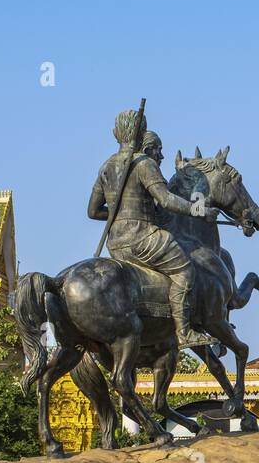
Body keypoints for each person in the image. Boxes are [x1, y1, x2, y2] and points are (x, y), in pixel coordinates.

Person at [88, 109, 224, 345]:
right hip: (143, 238)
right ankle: (183, 332)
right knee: (185, 269)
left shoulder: (106, 166)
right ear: (141, 133)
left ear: (116, 133)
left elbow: (93, 211)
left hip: (116, 243)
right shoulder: (144, 164)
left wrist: (119, 213)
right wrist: (200, 210)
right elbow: (166, 200)